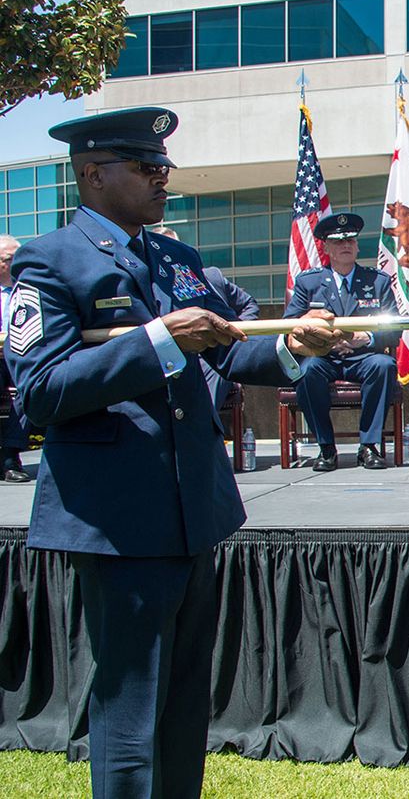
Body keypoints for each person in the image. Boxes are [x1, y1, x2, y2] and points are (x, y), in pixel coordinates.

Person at [6, 106, 340, 798]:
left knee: (185, 702)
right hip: (116, 517)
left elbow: (232, 347)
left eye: (165, 169)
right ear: (93, 174)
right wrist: (160, 339)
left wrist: (291, 346)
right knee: (129, 707)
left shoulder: (177, 257)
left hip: (195, 509)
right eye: (147, 168)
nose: (163, 180)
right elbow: (41, 388)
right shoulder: (51, 260)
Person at [284, 212, 400, 471]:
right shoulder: (309, 282)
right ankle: (326, 447)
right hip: (324, 357)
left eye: (350, 241)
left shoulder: (377, 281)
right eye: (338, 242)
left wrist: (366, 338)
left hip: (364, 356)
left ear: (357, 246)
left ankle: (369, 446)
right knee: (306, 372)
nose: (346, 246)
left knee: (384, 365)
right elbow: (290, 324)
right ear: (326, 248)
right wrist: (322, 339)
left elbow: (395, 327)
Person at [151, 227, 262, 410]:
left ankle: (205, 419)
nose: (165, 253)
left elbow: (248, 305)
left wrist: (235, 331)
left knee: (213, 366)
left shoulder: (208, 276)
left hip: (213, 353)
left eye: (170, 246)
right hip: (170, 359)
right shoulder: (149, 281)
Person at [0, 234, 39, 481]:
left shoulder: (30, 289)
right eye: (9, 258)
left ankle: (9, 456)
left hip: (19, 357)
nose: (16, 262)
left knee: (30, 386)